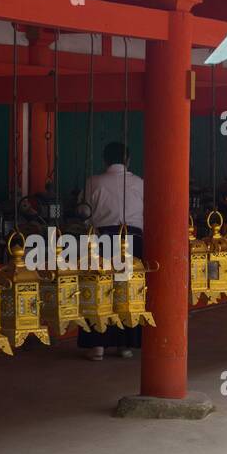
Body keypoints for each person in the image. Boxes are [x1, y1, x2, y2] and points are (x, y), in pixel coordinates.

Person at [78, 141, 144, 361]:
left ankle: (98, 346)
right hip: (133, 241)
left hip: (104, 241)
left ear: (105, 160)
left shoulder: (93, 182)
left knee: (100, 291)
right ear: (128, 160)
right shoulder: (139, 183)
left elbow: (84, 211)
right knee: (127, 293)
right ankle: (124, 345)